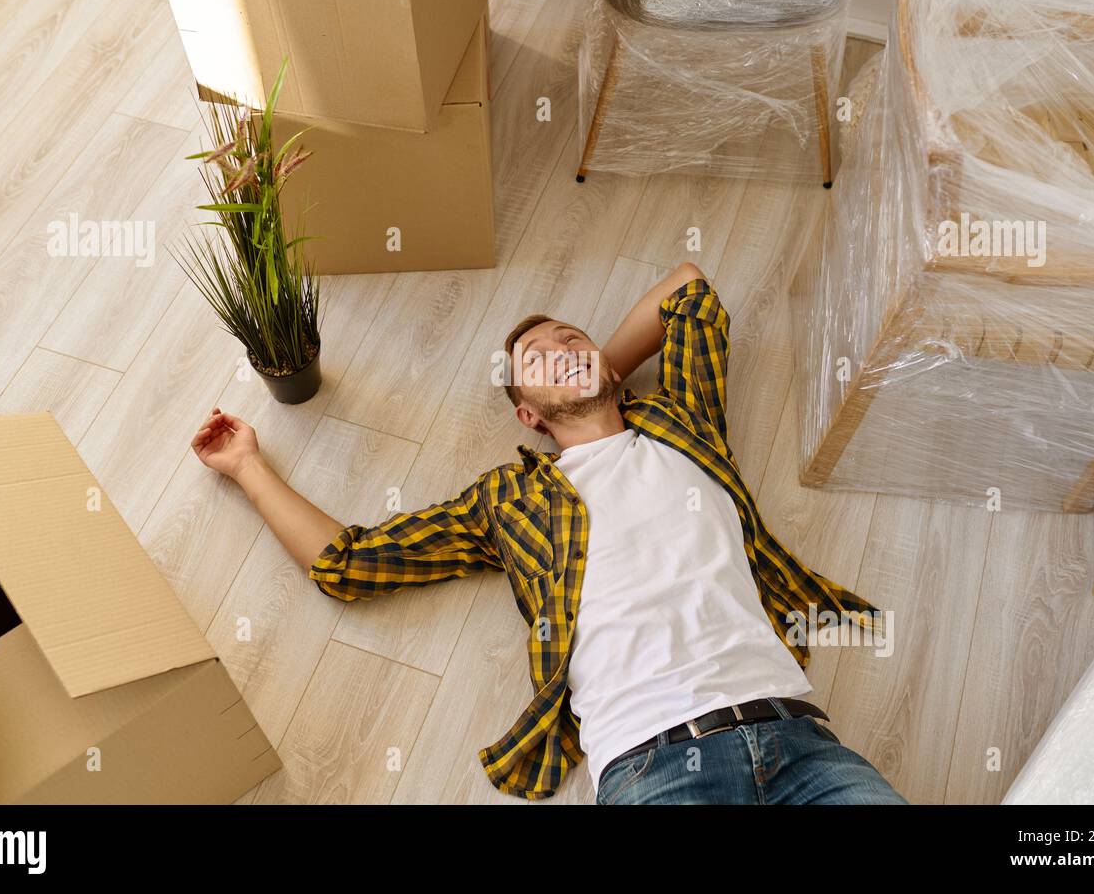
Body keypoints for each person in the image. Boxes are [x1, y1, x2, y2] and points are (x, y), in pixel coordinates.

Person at [192, 261, 906, 804]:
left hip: (802, 743)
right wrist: (247, 465)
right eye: (536, 359)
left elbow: (689, 289)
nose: (563, 347)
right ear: (527, 416)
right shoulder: (509, 500)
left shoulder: (688, 426)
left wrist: (596, 376)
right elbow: (348, 564)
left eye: (575, 339)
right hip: (655, 765)